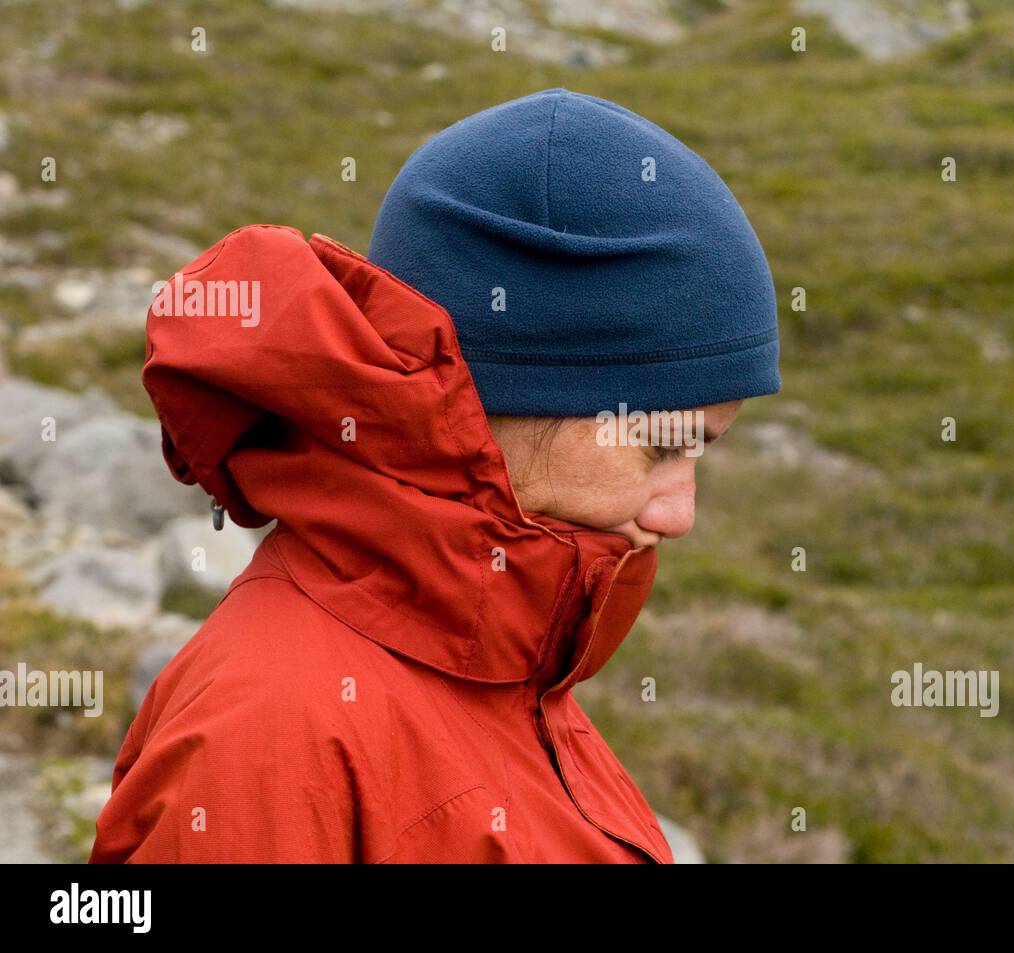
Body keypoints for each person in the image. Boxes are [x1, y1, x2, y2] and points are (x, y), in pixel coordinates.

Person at [89, 88, 780, 863]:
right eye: (660, 446)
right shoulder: (268, 738)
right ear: (495, 401)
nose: (679, 513)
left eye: (701, 451)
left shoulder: (509, 661)